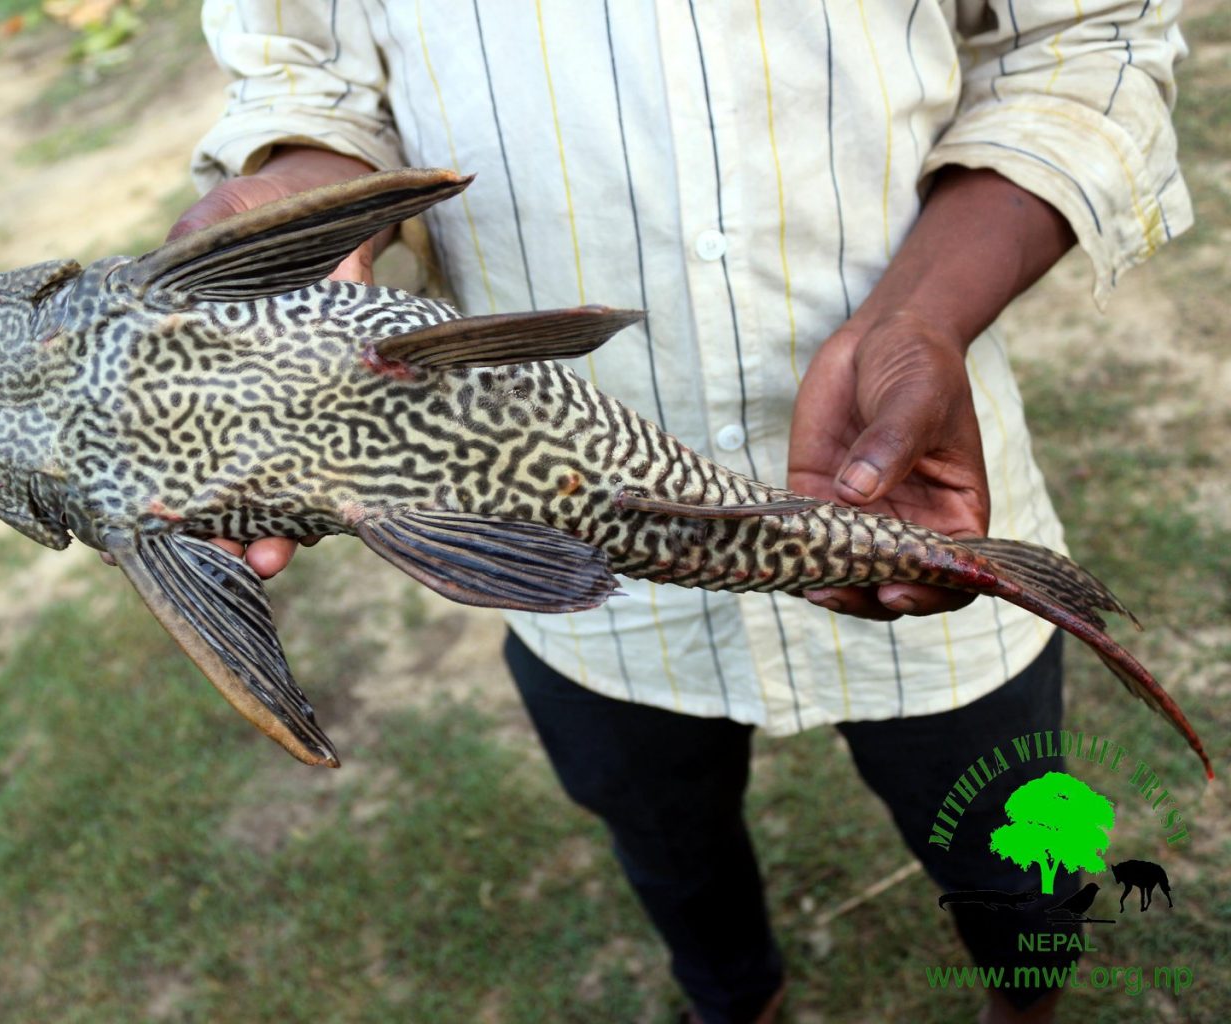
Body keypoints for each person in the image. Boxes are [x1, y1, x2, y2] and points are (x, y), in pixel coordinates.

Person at [169, 3, 1191, 1021]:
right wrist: (299, 207)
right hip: (567, 550)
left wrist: (921, 314)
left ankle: (1025, 1003)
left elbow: (1083, 38)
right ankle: (736, 1000)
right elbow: (307, 75)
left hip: (907, 477)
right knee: (668, 848)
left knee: (1014, 857)